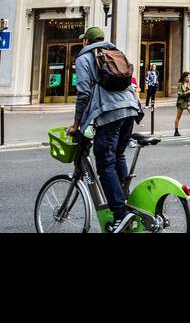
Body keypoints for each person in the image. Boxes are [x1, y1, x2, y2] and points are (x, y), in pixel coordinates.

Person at [68, 25, 144, 233]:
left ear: (85, 41)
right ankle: (124, 200)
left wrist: (76, 125)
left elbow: (83, 94)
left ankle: (120, 214)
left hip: (110, 113)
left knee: (105, 162)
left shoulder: (84, 59)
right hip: (130, 108)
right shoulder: (115, 53)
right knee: (118, 155)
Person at [173, 71, 190, 138]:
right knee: (178, 117)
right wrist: (187, 92)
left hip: (188, 101)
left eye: (189, 77)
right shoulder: (180, 84)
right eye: (187, 77)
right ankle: (176, 131)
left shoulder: (189, 84)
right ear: (184, 77)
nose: (188, 78)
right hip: (181, 102)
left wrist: (189, 92)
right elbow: (179, 94)